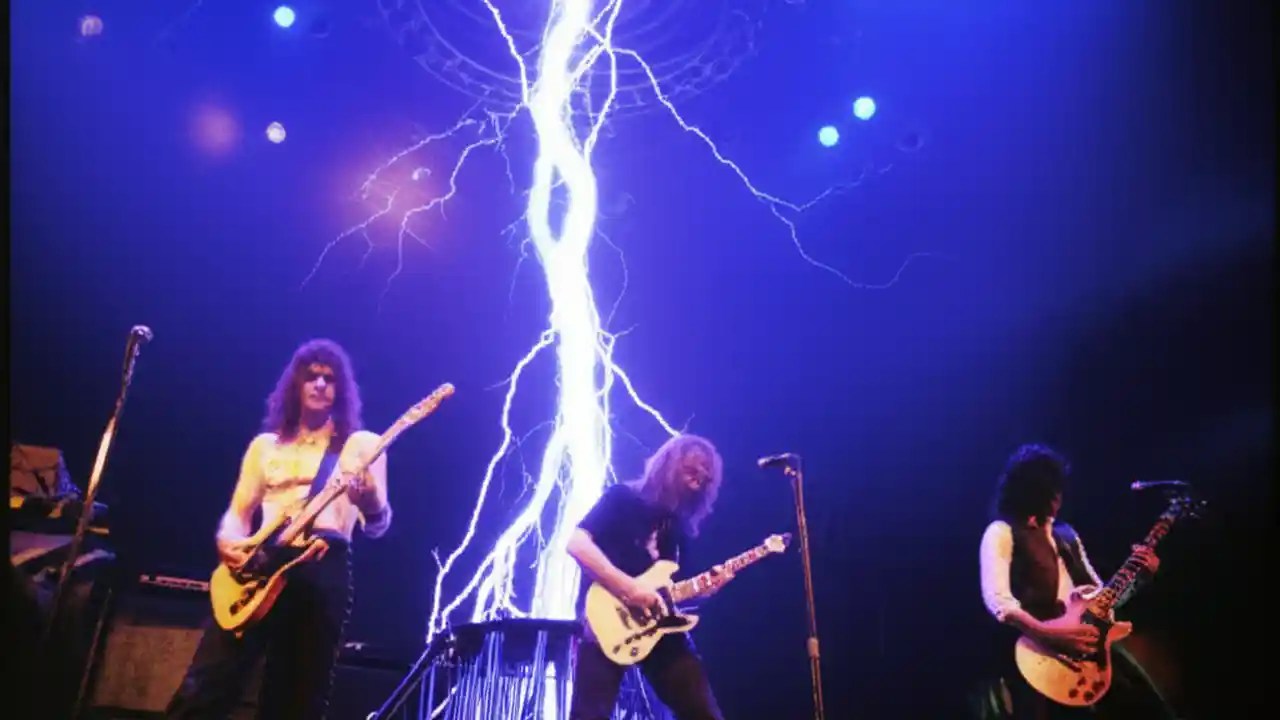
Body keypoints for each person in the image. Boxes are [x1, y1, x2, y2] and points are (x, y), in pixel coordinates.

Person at [167, 339, 392, 719]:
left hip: (322, 566)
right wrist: (228, 542)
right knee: (205, 685)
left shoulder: (361, 445)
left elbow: (378, 524)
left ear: (341, 391)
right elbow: (239, 512)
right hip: (261, 564)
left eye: (330, 379)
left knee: (295, 699)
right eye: (312, 377)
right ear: (296, 385)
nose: (320, 385)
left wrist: (368, 496)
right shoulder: (265, 446)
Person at [975, 443, 1177, 720]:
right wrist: (1054, 637)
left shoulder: (1066, 535)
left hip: (1091, 652)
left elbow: (1104, 598)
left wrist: (1141, 577)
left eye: (1056, 491)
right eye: (1048, 491)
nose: (1056, 499)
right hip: (1042, 655)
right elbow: (999, 603)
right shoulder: (1001, 531)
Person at [566, 434, 732, 720]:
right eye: (691, 471)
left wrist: (705, 590)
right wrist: (628, 589)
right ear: (669, 465)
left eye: (705, 479)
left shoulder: (677, 527)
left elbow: (673, 593)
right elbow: (577, 544)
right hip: (606, 620)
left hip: (660, 628)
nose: (697, 481)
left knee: (704, 714)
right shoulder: (621, 498)